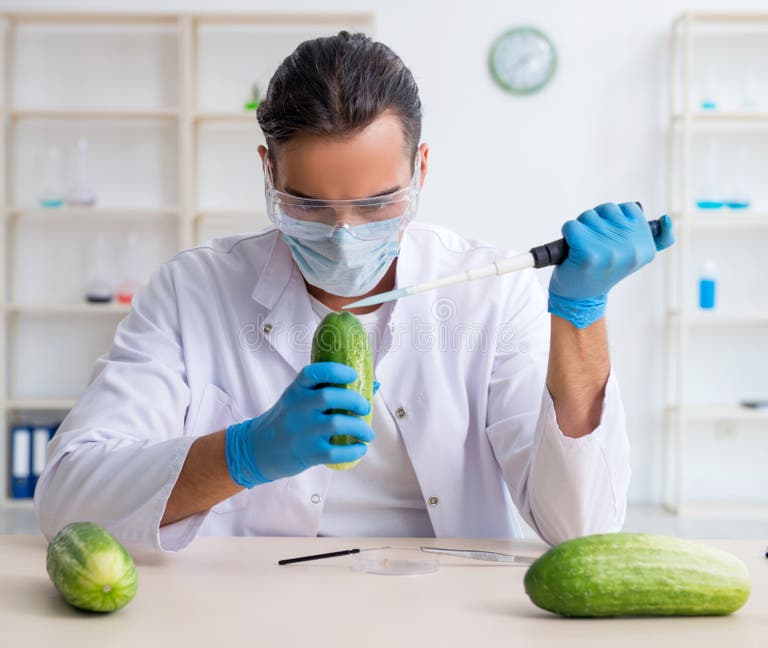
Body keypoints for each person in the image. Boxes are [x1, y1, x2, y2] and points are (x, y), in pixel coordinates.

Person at [35, 32, 674, 552]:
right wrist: (244, 452)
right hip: (247, 608)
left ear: (420, 169)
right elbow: (68, 500)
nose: (344, 236)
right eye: (309, 205)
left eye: (376, 204)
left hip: (443, 611)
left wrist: (581, 316)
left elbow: (583, 528)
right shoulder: (192, 291)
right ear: (268, 171)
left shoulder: (492, 295)